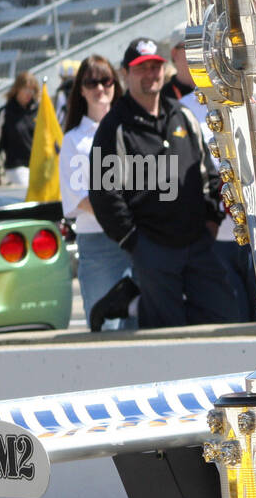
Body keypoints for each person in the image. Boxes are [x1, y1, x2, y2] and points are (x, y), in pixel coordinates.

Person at [89, 37, 236, 328]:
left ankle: (131, 302)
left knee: (223, 315)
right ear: (125, 74)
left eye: (155, 67)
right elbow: (103, 192)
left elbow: (208, 172)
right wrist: (133, 241)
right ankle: (132, 302)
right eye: (141, 68)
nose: (150, 74)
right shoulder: (115, 125)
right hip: (151, 244)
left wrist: (211, 219)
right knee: (167, 330)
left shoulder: (182, 115)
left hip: (197, 242)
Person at [60, 55, 138, 330]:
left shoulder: (130, 128)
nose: (100, 88)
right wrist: (122, 221)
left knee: (139, 326)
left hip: (137, 240)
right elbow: (80, 198)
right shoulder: (73, 140)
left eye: (105, 81)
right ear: (81, 89)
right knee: (105, 329)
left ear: (115, 84)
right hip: (99, 244)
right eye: (91, 82)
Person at [0, 71, 37, 188]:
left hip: (38, 165)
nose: (29, 93)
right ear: (17, 89)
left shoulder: (38, 111)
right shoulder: (5, 112)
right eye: (26, 89)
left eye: (32, 89)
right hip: (16, 167)